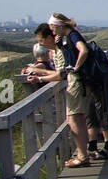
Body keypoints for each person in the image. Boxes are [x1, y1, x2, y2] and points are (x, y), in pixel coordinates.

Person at [26, 19, 90, 168]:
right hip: (81, 83)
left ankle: (82, 155)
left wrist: (39, 78)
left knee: (73, 119)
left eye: (41, 40)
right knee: (78, 118)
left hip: (75, 85)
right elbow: (59, 72)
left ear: (49, 37)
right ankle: (83, 153)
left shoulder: (61, 49)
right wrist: (40, 72)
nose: (41, 44)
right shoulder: (60, 48)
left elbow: (61, 74)